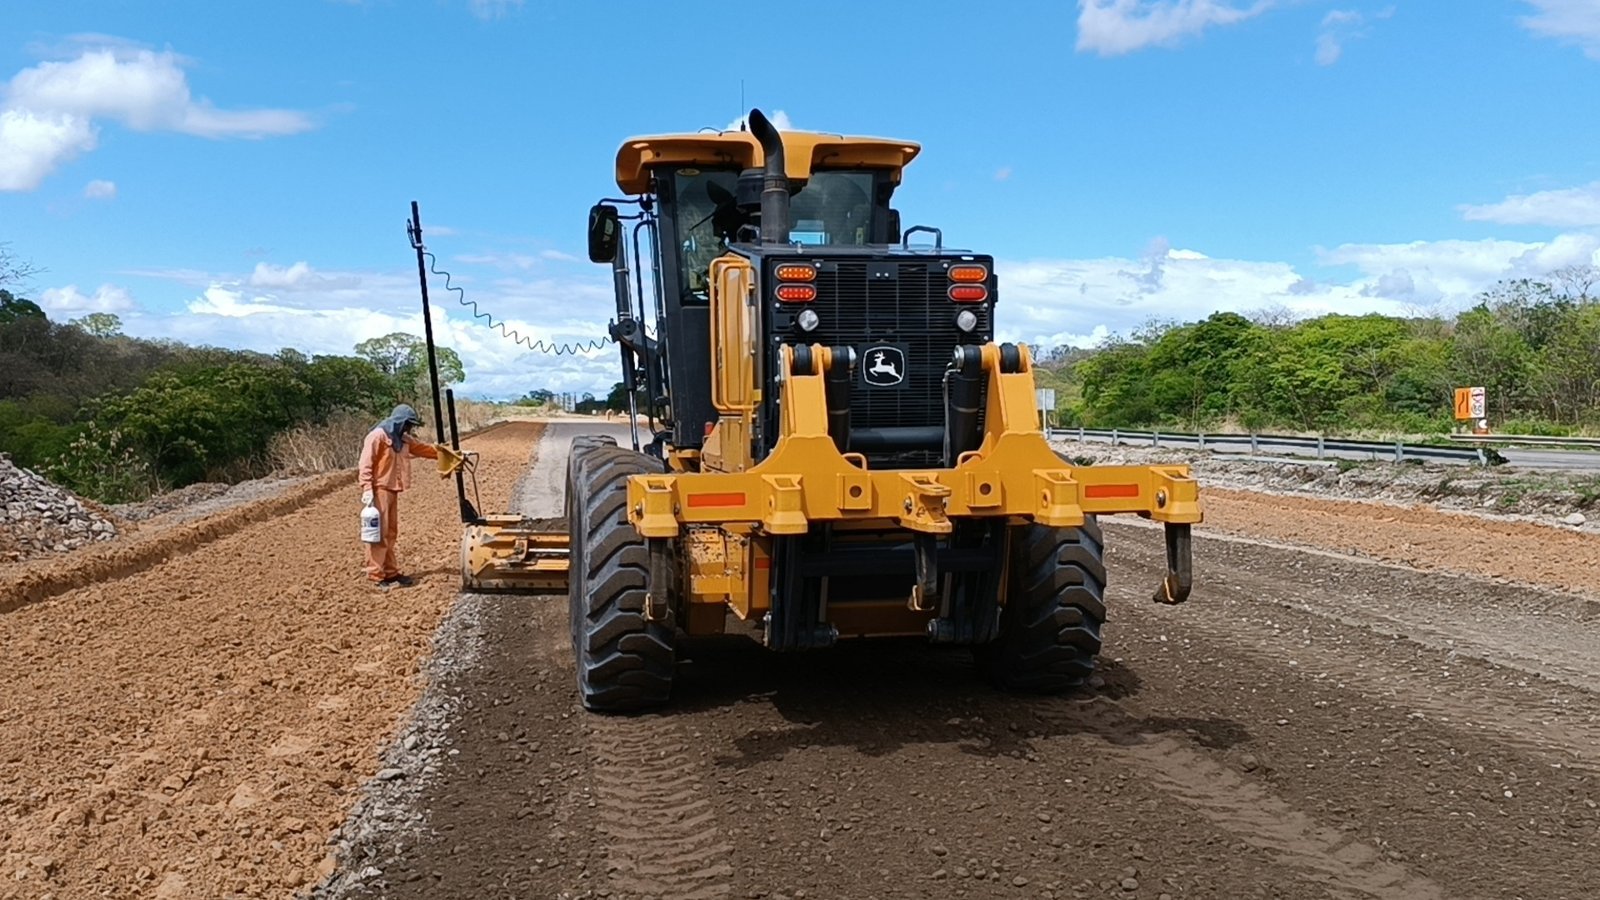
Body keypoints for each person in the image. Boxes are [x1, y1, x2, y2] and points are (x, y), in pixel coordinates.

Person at [358, 404, 440, 591]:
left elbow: (424, 450)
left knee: (390, 532)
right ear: (399, 422)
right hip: (379, 490)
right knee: (378, 534)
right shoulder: (377, 436)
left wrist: (447, 454)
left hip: (392, 489)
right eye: (407, 424)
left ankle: (391, 572)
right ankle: (376, 575)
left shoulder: (402, 439)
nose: (409, 429)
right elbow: (365, 464)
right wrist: (367, 489)